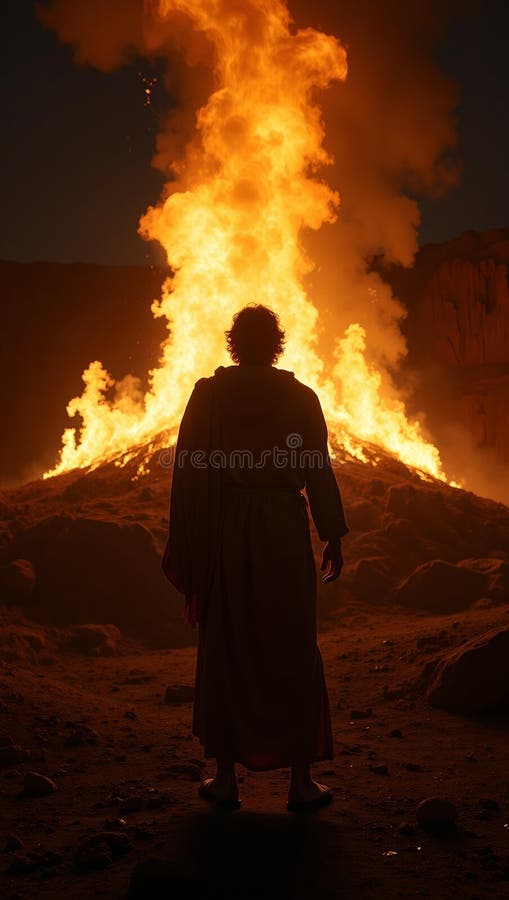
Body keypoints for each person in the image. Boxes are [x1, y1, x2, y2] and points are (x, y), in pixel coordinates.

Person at [162, 304, 348, 810]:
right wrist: (332, 533)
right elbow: (318, 470)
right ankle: (300, 783)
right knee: (291, 644)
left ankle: (225, 779)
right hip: (284, 531)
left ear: (234, 344)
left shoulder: (208, 397)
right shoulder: (301, 398)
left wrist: (189, 546)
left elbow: (188, 472)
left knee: (227, 643)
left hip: (225, 531)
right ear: (278, 344)